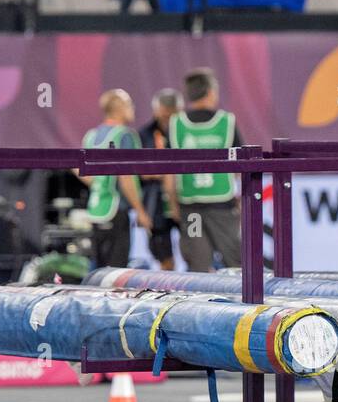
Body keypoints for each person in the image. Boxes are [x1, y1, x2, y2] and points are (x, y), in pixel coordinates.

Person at [168, 68, 243, 272]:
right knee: (235, 263)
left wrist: (173, 203)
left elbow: (168, 171)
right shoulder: (226, 122)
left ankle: (198, 304)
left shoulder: (176, 124)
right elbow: (241, 166)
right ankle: (244, 304)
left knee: (197, 264)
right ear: (211, 92)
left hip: (191, 206)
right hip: (221, 205)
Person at [79, 89, 152, 269]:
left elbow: (79, 169)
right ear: (120, 108)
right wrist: (140, 210)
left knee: (99, 268)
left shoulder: (91, 135)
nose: (133, 109)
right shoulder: (124, 135)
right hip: (116, 210)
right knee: (116, 270)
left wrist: (100, 183)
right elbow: (126, 177)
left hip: (96, 209)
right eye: (129, 104)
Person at [138, 88, 182, 271]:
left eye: (172, 116)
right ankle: (168, 291)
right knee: (162, 253)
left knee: (195, 248)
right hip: (155, 202)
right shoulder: (145, 134)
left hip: (183, 199)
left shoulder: (185, 131)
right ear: (156, 111)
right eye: (164, 116)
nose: (168, 121)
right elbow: (139, 170)